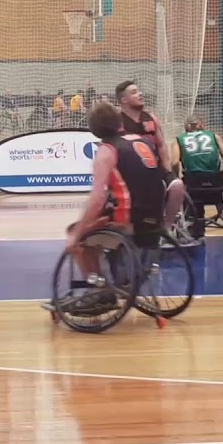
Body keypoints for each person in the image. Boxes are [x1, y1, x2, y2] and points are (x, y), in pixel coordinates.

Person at [45, 102, 186, 314]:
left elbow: (97, 199)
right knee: (101, 222)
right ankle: (118, 277)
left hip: (129, 223)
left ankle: (100, 292)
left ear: (94, 129)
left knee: (78, 234)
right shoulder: (142, 142)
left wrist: (78, 233)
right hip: (155, 218)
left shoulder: (106, 151)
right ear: (119, 121)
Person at [172, 115, 223, 238]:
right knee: (216, 187)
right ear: (201, 125)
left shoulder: (179, 140)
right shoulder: (214, 136)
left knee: (185, 187)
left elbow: (174, 163)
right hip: (214, 183)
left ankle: (193, 224)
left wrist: (176, 177)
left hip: (193, 184)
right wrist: (222, 175)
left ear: (186, 128)